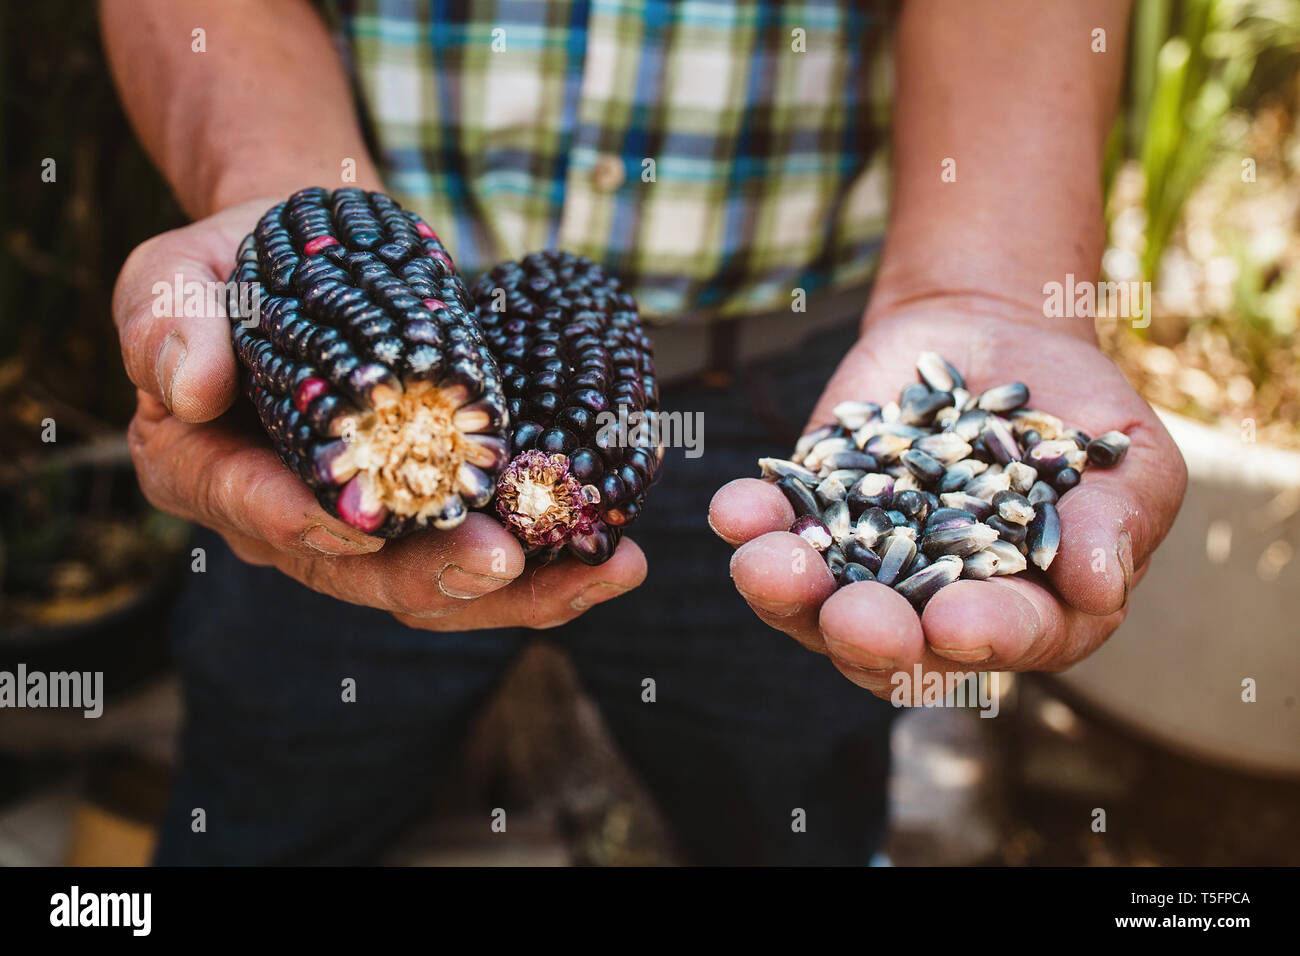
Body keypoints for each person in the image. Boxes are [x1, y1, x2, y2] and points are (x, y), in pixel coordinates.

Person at [102, 0, 1185, 865]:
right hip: (329, 398)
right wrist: (280, 219)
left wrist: (984, 287)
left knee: (791, 801)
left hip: (801, 384)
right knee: (275, 789)